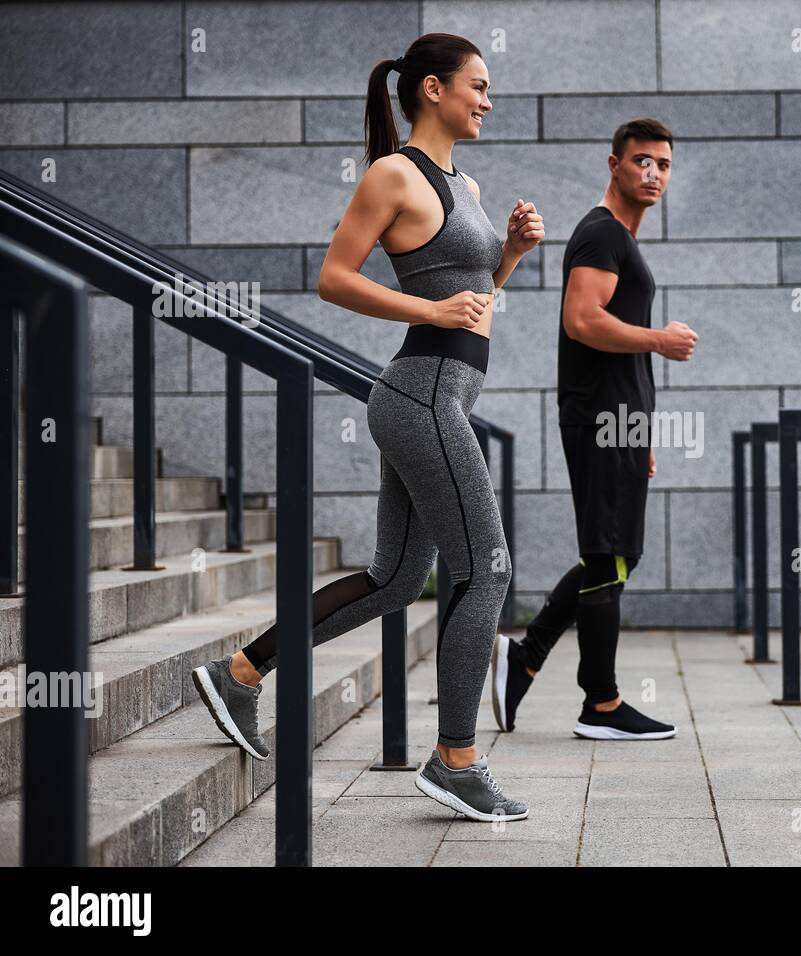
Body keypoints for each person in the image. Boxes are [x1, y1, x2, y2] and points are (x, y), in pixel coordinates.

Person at [191, 33, 543, 823]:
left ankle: (239, 674)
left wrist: (511, 252)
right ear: (431, 89)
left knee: (392, 584)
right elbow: (333, 277)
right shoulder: (393, 175)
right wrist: (428, 309)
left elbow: (471, 291)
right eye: (477, 86)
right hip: (421, 397)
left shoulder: (468, 182)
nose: (487, 100)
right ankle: (456, 760)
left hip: (437, 399)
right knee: (486, 569)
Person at [490, 119, 698, 740]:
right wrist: (660, 340)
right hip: (600, 418)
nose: (653, 173)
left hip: (620, 420)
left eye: (663, 163)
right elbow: (582, 320)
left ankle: (524, 661)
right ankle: (600, 705)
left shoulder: (618, 239)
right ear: (614, 164)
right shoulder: (601, 235)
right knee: (608, 553)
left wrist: (642, 430)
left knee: (614, 551)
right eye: (641, 161)